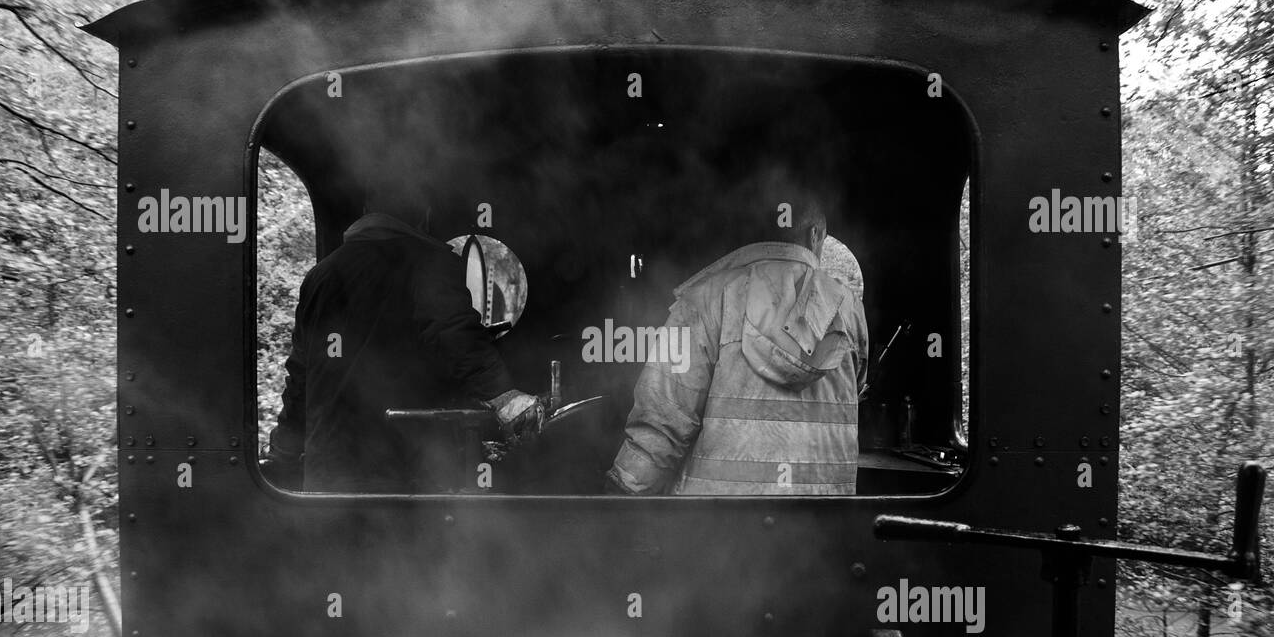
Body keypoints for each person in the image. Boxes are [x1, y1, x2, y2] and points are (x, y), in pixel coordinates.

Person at [266, 184, 543, 492]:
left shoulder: (321, 275)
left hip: (328, 474)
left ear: (367, 210)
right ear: (423, 215)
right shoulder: (429, 264)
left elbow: (300, 376)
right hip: (399, 473)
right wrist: (504, 396)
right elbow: (453, 333)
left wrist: (284, 451)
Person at [605, 186, 868, 495]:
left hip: (722, 528)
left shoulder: (703, 300)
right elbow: (857, 389)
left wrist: (623, 492)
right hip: (824, 523)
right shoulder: (849, 310)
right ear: (816, 234)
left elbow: (663, 423)